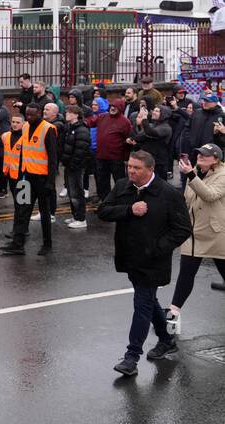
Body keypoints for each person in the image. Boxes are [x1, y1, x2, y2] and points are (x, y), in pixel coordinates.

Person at [98, 150, 192, 377]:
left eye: (136, 168)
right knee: (148, 300)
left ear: (150, 169)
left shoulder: (168, 194)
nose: (131, 171)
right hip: (129, 258)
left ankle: (132, 357)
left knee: (141, 304)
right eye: (129, 166)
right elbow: (103, 212)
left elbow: (182, 230)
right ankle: (167, 338)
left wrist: (157, 248)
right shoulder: (123, 186)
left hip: (153, 262)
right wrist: (129, 210)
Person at [167, 144, 225, 330]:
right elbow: (187, 200)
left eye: (205, 155)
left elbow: (210, 195)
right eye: (199, 153)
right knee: (186, 272)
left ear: (216, 159)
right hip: (194, 232)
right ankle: (173, 311)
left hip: (216, 233)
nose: (200, 156)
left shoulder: (223, 175)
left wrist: (191, 174)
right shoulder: (197, 172)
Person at [0, 103, 57, 256]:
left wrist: (51, 182)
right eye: (27, 115)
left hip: (42, 179)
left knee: (44, 212)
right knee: (22, 210)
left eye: (32, 115)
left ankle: (47, 244)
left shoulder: (48, 129)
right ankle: (18, 244)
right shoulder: (25, 127)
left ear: (39, 113)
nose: (29, 117)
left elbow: (53, 158)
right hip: (26, 177)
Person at [88, 96, 131, 200]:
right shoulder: (102, 116)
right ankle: (105, 201)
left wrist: (126, 158)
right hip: (101, 156)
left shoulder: (125, 122)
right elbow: (90, 122)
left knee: (119, 181)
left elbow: (128, 140)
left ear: (120, 108)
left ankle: (121, 200)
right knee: (102, 181)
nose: (112, 108)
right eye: (111, 106)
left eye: (115, 107)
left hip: (116, 158)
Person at [59, 105, 91, 228]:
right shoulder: (69, 127)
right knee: (72, 193)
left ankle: (81, 219)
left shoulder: (81, 129)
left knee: (77, 192)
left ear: (76, 115)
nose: (66, 114)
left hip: (76, 167)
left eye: (69, 112)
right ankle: (75, 216)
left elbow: (81, 150)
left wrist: (73, 164)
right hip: (69, 165)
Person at [130, 103, 174, 180]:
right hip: (148, 161)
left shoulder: (166, 128)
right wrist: (132, 139)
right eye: (154, 110)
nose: (153, 112)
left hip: (159, 163)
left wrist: (144, 118)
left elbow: (151, 132)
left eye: (157, 111)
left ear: (164, 114)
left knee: (158, 186)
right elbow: (139, 137)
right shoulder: (152, 125)